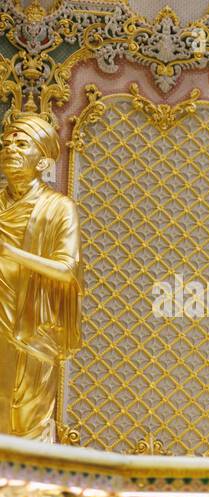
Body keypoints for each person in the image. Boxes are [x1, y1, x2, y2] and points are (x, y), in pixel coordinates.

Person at [0, 112, 84, 440]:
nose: (10, 149)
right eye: (6, 143)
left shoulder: (58, 208)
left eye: (22, 144)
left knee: (26, 425)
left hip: (31, 331)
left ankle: (27, 492)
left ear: (43, 158)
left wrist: (13, 253)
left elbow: (68, 270)